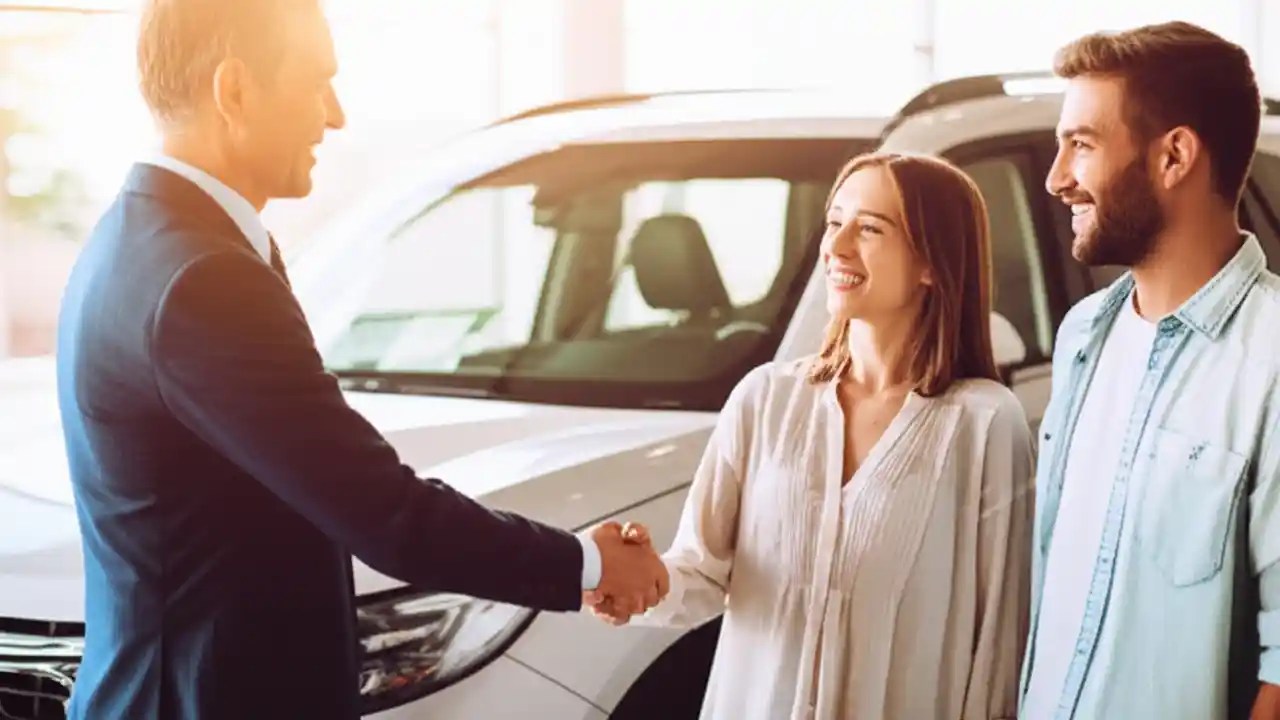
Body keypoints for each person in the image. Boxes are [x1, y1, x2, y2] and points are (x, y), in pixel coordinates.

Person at [55, 1, 665, 718]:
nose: (335, 116)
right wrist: (585, 564)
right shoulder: (201, 276)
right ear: (236, 92)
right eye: (317, 83)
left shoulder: (141, 240)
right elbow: (386, 513)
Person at [587, 151, 1035, 719]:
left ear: (932, 264)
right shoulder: (766, 399)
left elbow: (999, 641)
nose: (837, 246)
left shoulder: (985, 423)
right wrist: (636, 581)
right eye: (834, 222)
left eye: (870, 228)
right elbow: (700, 573)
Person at [1018, 21, 1280, 720]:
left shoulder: (1273, 360)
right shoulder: (1083, 337)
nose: (1057, 179)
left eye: (1082, 144)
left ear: (1174, 157)